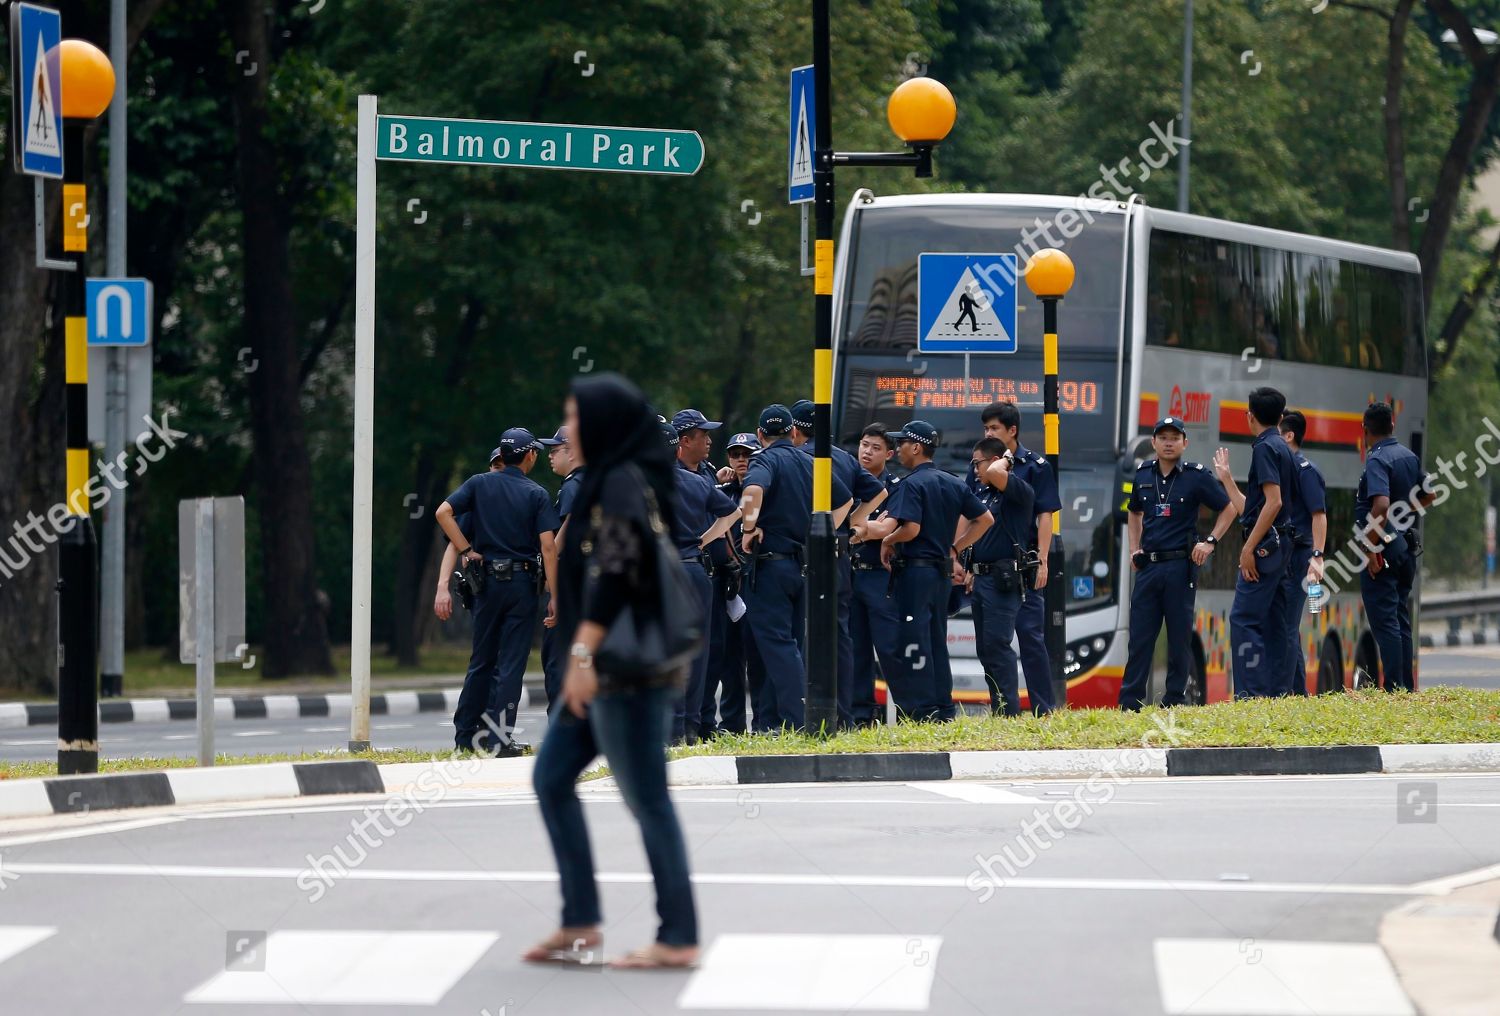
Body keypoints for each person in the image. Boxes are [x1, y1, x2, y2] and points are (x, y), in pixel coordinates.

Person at [527, 374, 699, 970]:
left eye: (575, 418)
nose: (568, 430)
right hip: (603, 672)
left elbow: (623, 564)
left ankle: (677, 936)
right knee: (551, 779)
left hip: (624, 675)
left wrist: (581, 655)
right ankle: (579, 922)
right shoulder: (605, 479)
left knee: (648, 801)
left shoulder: (622, 482)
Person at [435, 428, 559, 754]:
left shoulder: (478, 484)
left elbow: (442, 513)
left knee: (481, 661)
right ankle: (499, 740)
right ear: (530, 455)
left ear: (501, 456)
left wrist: (466, 549)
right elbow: (548, 548)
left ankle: (464, 738)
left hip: (485, 583)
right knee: (511, 665)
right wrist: (555, 596)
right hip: (521, 584)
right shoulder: (536, 494)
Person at [863, 421, 992, 721]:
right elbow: (985, 519)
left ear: (917, 448)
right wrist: (955, 548)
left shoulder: (911, 484)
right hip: (941, 574)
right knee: (936, 639)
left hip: (915, 574)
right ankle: (943, 707)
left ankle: (922, 711)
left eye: (903, 444)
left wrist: (888, 539)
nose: (899, 449)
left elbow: (910, 529)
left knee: (913, 640)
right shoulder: (954, 482)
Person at [738, 404, 853, 731]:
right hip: (807, 566)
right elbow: (845, 501)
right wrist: (822, 534)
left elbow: (752, 491)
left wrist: (748, 529)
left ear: (760, 435)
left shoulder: (765, 459)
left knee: (776, 644)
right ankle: (784, 720)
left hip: (772, 566)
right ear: (792, 432)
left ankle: (799, 718)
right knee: (796, 643)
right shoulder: (810, 461)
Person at [1119, 418, 1235, 711]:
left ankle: (1174, 701)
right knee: (1140, 638)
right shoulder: (1143, 473)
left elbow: (1229, 507)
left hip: (1180, 567)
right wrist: (1135, 549)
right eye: (1163, 437)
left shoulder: (1196, 476)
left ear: (1185, 443)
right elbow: (1134, 513)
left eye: (1175, 437)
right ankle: (1130, 703)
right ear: (1154, 443)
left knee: (1179, 637)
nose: (1169, 442)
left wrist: (1209, 542)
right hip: (1149, 568)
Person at [1215, 412, 1327, 696]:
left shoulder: (1302, 469)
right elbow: (1253, 513)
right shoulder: (1276, 466)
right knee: (1279, 625)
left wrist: (1317, 555)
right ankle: (1287, 693)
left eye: (1278, 429)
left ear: (1288, 435)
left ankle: (1288, 693)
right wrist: (1227, 480)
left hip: (1296, 556)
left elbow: (1318, 515)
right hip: (1279, 553)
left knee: (1286, 627)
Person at [789, 400, 886, 727]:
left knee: (806, 632)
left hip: (806, 554)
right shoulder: (844, 457)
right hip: (840, 555)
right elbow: (878, 492)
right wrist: (853, 527)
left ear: (796, 430)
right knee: (841, 634)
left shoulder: (802, 457)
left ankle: (812, 713)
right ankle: (843, 714)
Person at [978, 401, 1062, 714]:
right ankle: (1002, 708)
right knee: (991, 643)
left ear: (1012, 430)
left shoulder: (1035, 466)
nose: (989, 433)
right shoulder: (982, 465)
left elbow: (1045, 516)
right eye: (986, 428)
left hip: (1023, 566)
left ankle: (1044, 709)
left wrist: (1042, 559)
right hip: (990, 568)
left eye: (994, 428)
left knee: (1030, 637)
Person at [663, 421, 740, 743]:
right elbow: (735, 512)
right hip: (694, 570)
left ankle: (667, 728)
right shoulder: (696, 482)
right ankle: (690, 727)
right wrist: (704, 540)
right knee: (698, 652)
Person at [1355, 402, 1432, 691]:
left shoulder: (1377, 459)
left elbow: (1381, 505)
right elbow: (1430, 494)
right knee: (1400, 619)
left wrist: (1370, 547)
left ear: (1365, 430)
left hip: (1382, 552)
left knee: (1385, 623)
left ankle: (1394, 688)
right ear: (1392, 425)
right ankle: (1405, 688)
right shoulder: (1408, 456)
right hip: (1405, 550)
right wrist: (1404, 514)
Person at [1228, 387, 1297, 699]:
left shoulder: (1264, 449)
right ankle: (1279, 691)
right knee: (1276, 621)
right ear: (1280, 418)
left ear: (1250, 416)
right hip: (1283, 545)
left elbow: (1273, 503)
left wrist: (1247, 549)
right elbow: (1261, 507)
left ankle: (1251, 694)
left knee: (1243, 618)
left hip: (1266, 547)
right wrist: (1227, 480)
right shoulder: (1284, 448)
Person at [965, 438, 1035, 716]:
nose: (974, 470)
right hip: (981, 579)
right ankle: (998, 707)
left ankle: (1009, 711)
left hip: (1002, 580)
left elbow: (996, 473)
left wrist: (1008, 457)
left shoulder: (1017, 491)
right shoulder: (984, 494)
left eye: (977, 463)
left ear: (995, 461)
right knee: (985, 649)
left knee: (998, 644)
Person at [703, 432, 762, 734]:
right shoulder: (722, 491)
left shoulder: (762, 489)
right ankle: (732, 723)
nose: (741, 460)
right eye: (735, 454)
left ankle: (764, 721)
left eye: (747, 454)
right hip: (726, 582)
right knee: (726, 656)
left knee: (758, 653)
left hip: (757, 579)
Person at [849, 424, 903, 725]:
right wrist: (867, 529)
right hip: (852, 574)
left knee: (889, 647)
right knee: (855, 649)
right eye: (864, 444)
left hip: (881, 577)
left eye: (875, 448)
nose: (867, 452)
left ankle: (908, 711)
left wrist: (856, 531)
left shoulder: (895, 486)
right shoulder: (848, 479)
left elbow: (889, 527)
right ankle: (861, 716)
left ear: (889, 454)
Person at [537, 426, 583, 713]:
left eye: (555, 451)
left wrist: (553, 589)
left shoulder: (573, 486)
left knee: (557, 662)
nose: (550, 457)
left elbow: (559, 543)